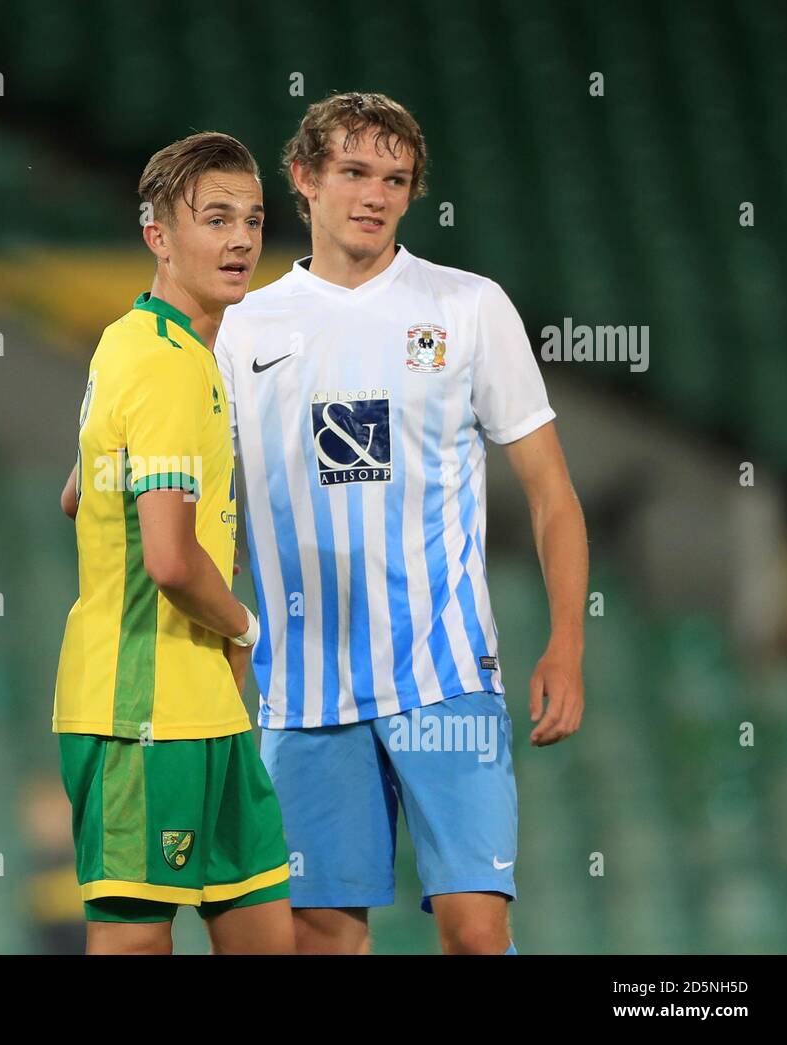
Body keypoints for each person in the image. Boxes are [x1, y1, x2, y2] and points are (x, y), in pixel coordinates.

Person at [216, 92, 588, 954]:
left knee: (475, 933)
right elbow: (199, 505)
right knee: (320, 939)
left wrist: (567, 639)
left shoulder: (469, 307)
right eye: (353, 171)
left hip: (445, 673)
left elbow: (552, 493)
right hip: (305, 691)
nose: (374, 195)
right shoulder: (241, 326)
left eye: (395, 178)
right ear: (304, 178)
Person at [53, 132, 294, 955]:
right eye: (216, 218)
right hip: (141, 711)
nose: (240, 241)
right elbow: (168, 557)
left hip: (207, 710)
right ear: (158, 234)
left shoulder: (146, 344)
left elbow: (77, 492)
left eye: (254, 221)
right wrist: (248, 629)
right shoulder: (165, 363)